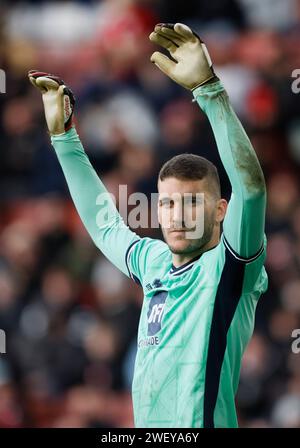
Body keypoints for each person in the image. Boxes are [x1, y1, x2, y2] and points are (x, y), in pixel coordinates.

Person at [28, 22, 268, 428]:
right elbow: (105, 226)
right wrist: (64, 139)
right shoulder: (152, 263)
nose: (178, 214)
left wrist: (208, 91)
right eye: (169, 203)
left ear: (221, 211)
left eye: (193, 203)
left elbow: (252, 187)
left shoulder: (230, 268)